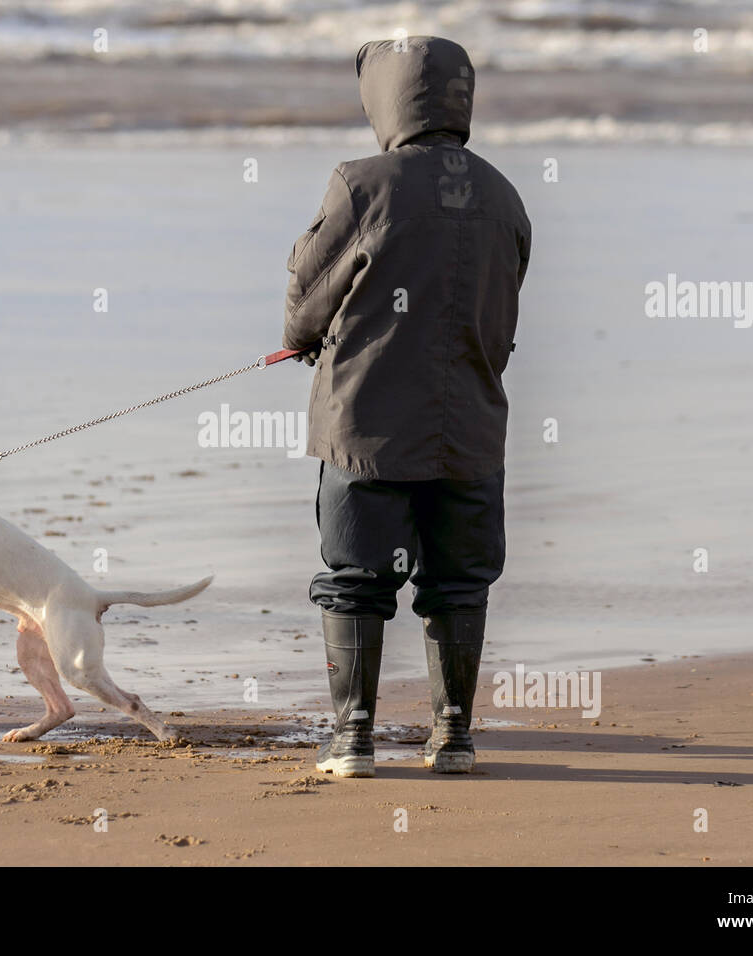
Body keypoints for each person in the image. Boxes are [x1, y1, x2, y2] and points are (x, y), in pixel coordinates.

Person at [283, 36, 531, 778]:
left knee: (356, 579)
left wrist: (310, 337)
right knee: (457, 582)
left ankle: (352, 736)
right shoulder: (503, 195)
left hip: (367, 427)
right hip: (471, 432)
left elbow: (303, 307)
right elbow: (503, 314)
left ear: (384, 99)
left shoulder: (362, 185)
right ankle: (452, 735)